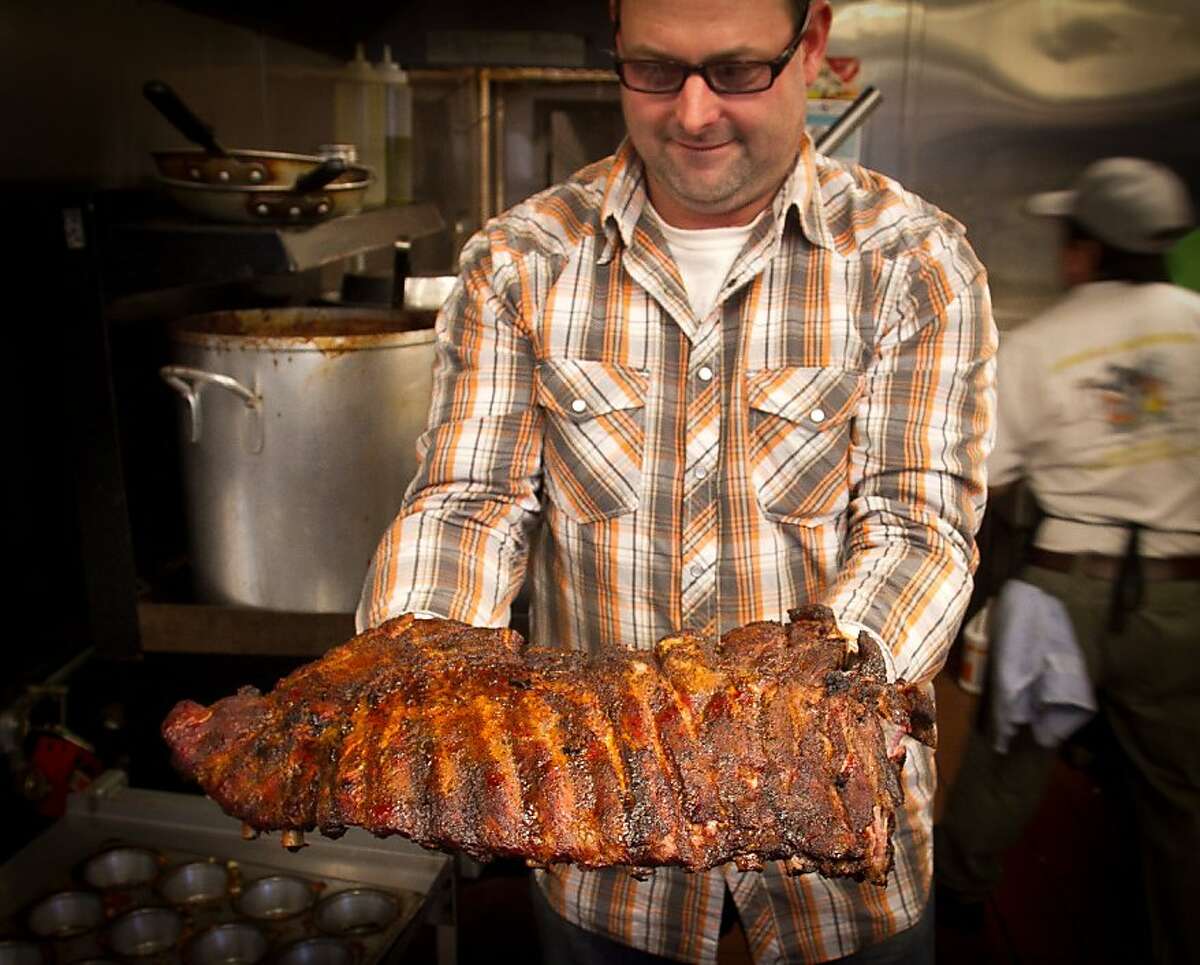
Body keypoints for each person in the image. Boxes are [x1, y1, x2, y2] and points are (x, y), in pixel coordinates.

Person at [358, 0, 996, 960]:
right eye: (655, 71)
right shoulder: (521, 260)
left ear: (810, 44)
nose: (693, 114)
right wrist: (416, 672)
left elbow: (917, 532)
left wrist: (767, 731)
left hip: (836, 863)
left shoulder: (914, 263)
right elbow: (468, 502)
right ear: (614, 47)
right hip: (603, 858)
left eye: (737, 70)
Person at [934, 157, 1200, 965]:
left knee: (1009, 759)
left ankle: (958, 906)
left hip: (1061, 592)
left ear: (1085, 248)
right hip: (1181, 597)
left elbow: (989, 479)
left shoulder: (1045, 342)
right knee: (1182, 794)